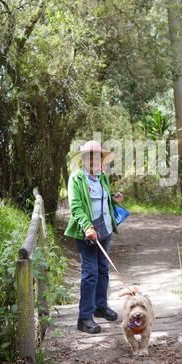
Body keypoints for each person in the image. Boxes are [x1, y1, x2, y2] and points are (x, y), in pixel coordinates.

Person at [64, 140, 124, 334]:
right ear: (83, 158)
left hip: (104, 229)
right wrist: (88, 227)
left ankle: (100, 307)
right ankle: (84, 318)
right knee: (90, 273)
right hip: (88, 232)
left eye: (97, 155)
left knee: (103, 269)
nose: (93, 159)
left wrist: (112, 198)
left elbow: (102, 199)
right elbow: (76, 207)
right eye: (89, 156)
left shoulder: (102, 177)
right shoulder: (76, 178)